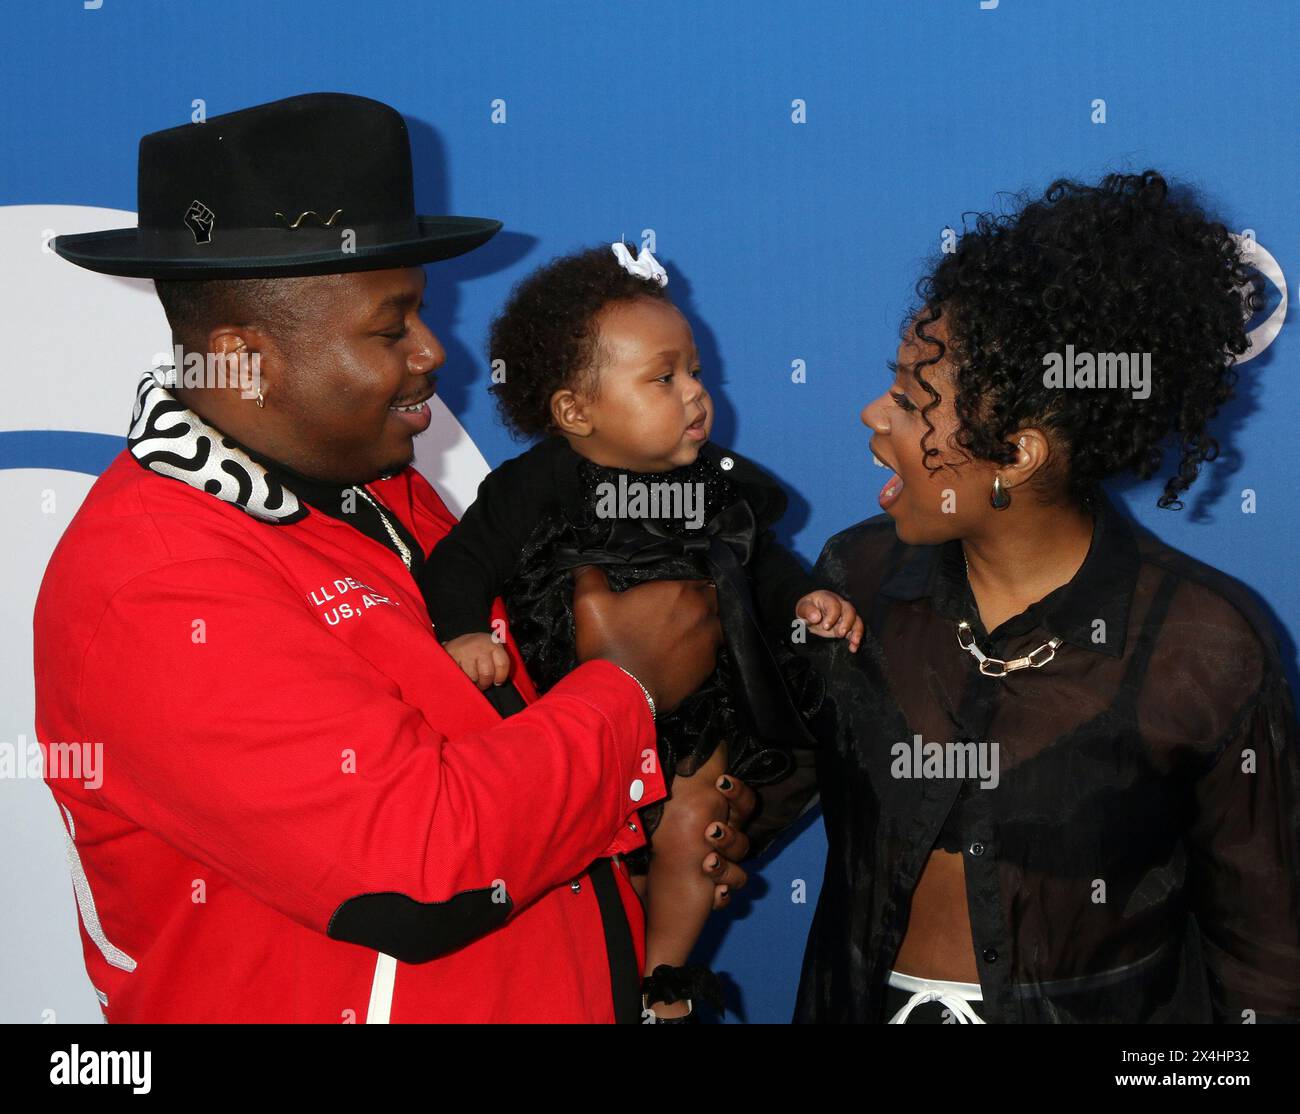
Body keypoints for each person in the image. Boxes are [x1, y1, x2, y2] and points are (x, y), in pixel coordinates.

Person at [33, 92, 751, 1023]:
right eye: (391, 326)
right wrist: (628, 695)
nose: (433, 351)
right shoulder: (155, 583)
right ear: (244, 361)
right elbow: (423, 876)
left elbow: (513, 765)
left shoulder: (374, 486)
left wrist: (654, 834)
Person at [756, 170, 1300, 1023]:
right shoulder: (855, 581)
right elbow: (767, 777)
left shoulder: (1200, 647)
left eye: (910, 399)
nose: (873, 415)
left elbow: (1267, 953)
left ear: (1017, 454)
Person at [420, 242, 861, 1020]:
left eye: (696, 371)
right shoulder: (536, 488)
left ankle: (661, 979)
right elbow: (458, 566)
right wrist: (461, 634)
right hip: (567, 725)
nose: (696, 394)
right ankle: (607, 960)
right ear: (575, 412)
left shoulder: (715, 486)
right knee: (595, 863)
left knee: (698, 828)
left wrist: (806, 600)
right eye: (664, 378)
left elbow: (762, 567)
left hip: (695, 722)